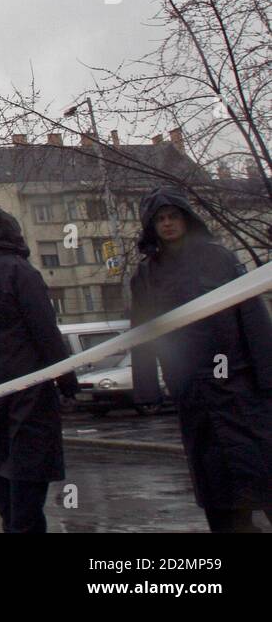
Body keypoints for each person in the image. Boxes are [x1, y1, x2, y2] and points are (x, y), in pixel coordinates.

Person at [129, 186, 272, 533]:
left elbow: (251, 314)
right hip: (192, 393)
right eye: (160, 219)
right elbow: (143, 334)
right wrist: (146, 388)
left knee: (262, 473)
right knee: (216, 487)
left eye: (172, 217)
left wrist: (267, 374)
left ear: (185, 219)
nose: (167, 224)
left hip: (238, 385)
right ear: (151, 226)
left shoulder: (219, 258)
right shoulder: (147, 276)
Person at [0, 206, 79, 533]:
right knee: (29, 467)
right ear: (16, 236)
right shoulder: (21, 271)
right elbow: (45, 331)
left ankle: (12, 526)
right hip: (30, 385)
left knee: (3, 461)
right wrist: (67, 380)